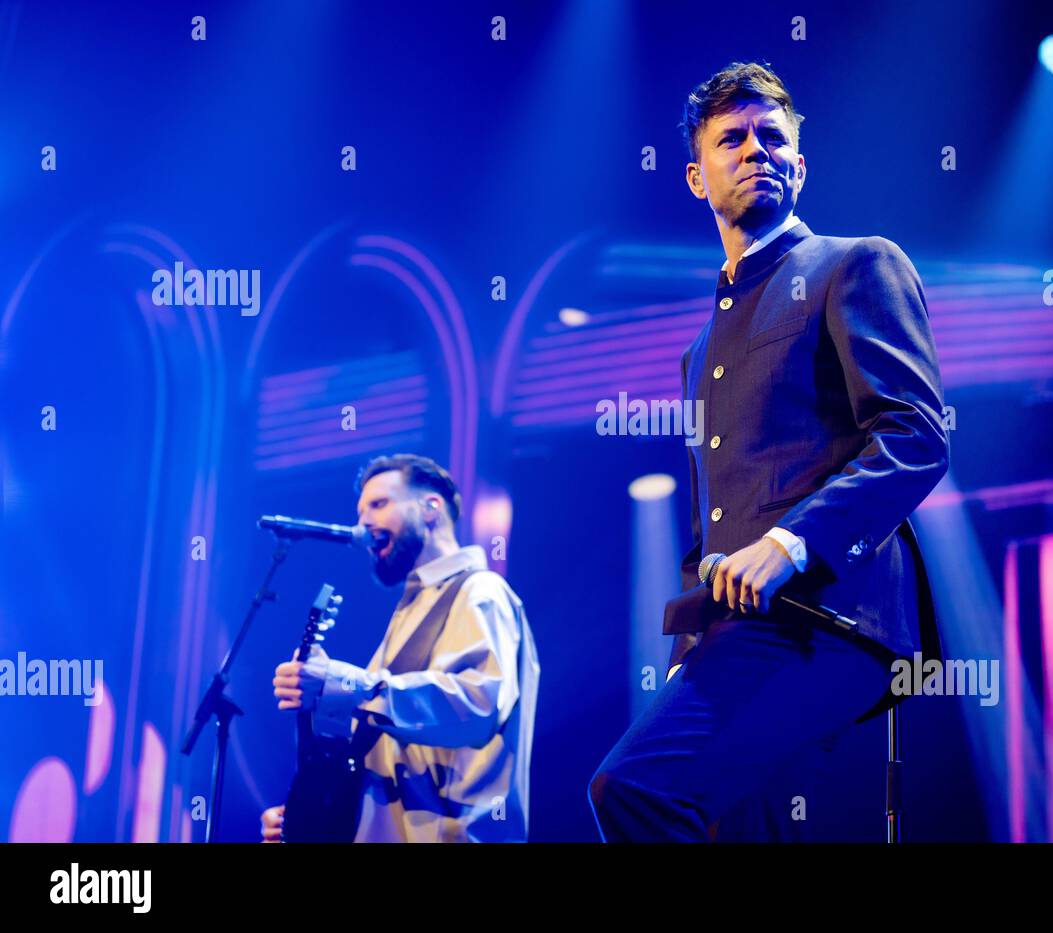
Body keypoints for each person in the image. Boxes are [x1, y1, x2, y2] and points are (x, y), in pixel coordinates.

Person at [588, 62, 949, 841]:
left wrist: (790, 545)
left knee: (633, 785)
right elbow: (711, 514)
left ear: (801, 163)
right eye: (732, 139)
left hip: (830, 612)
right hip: (742, 627)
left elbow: (916, 433)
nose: (756, 150)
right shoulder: (700, 345)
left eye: (772, 136)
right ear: (695, 176)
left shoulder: (854, 263)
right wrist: (693, 646)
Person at [264, 454, 540, 842]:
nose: (363, 524)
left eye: (379, 504)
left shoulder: (481, 591)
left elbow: (479, 704)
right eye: (361, 513)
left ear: (431, 508)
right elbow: (380, 750)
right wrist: (306, 813)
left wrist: (346, 683)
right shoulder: (411, 610)